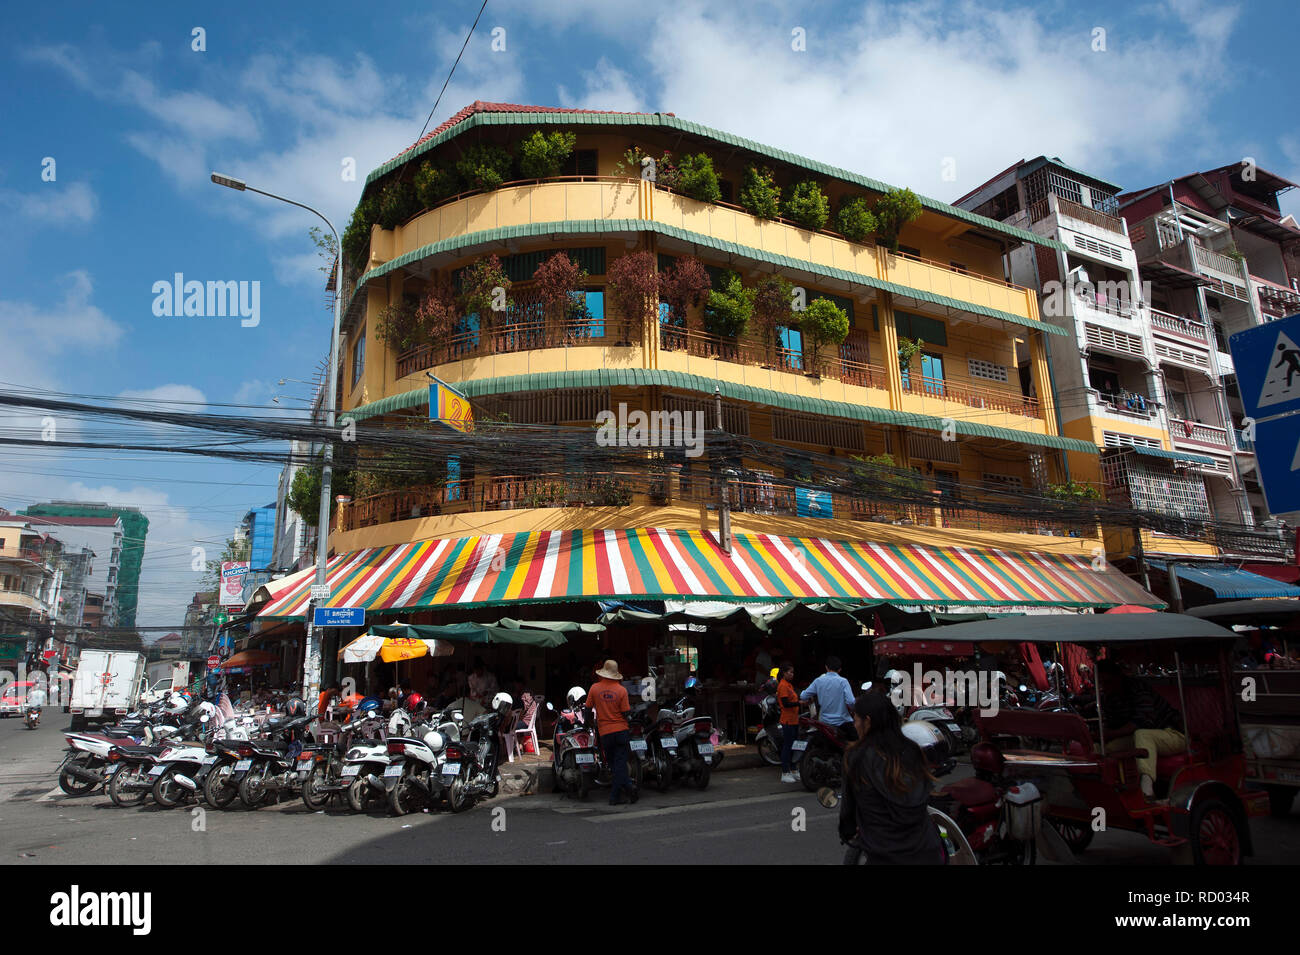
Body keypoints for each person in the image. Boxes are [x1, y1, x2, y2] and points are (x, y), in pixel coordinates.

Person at [838, 691, 944, 865]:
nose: (854, 724)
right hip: (927, 851)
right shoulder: (912, 750)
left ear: (868, 721)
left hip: (885, 856)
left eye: (856, 719)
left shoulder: (856, 758)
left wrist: (848, 830)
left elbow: (848, 811)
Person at [1095, 660, 1186, 802]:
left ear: (1118, 677)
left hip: (1172, 734)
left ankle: (1147, 790)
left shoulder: (1137, 689)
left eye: (1107, 681)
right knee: (1108, 749)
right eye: (1101, 682)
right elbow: (1112, 725)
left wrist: (1108, 734)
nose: (1104, 686)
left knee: (1142, 734)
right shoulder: (1109, 697)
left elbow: (1142, 723)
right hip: (1141, 738)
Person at [587, 659, 638, 806]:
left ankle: (620, 794)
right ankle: (624, 792)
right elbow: (626, 713)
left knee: (614, 765)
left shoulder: (594, 688)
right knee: (620, 764)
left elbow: (587, 709)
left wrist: (587, 723)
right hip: (621, 730)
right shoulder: (621, 690)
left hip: (605, 733)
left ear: (603, 673)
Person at [800, 656, 858, 738]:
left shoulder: (818, 681)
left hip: (824, 723)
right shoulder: (843, 682)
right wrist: (852, 710)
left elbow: (803, 696)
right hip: (842, 722)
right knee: (856, 741)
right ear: (839, 669)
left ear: (826, 667)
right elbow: (851, 701)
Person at [777, 665, 801, 783]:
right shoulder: (782, 686)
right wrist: (799, 703)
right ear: (784, 673)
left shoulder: (789, 685)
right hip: (787, 720)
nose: (792, 674)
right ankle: (785, 771)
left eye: (793, 672)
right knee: (787, 745)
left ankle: (793, 769)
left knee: (794, 745)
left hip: (794, 719)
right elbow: (785, 703)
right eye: (790, 672)